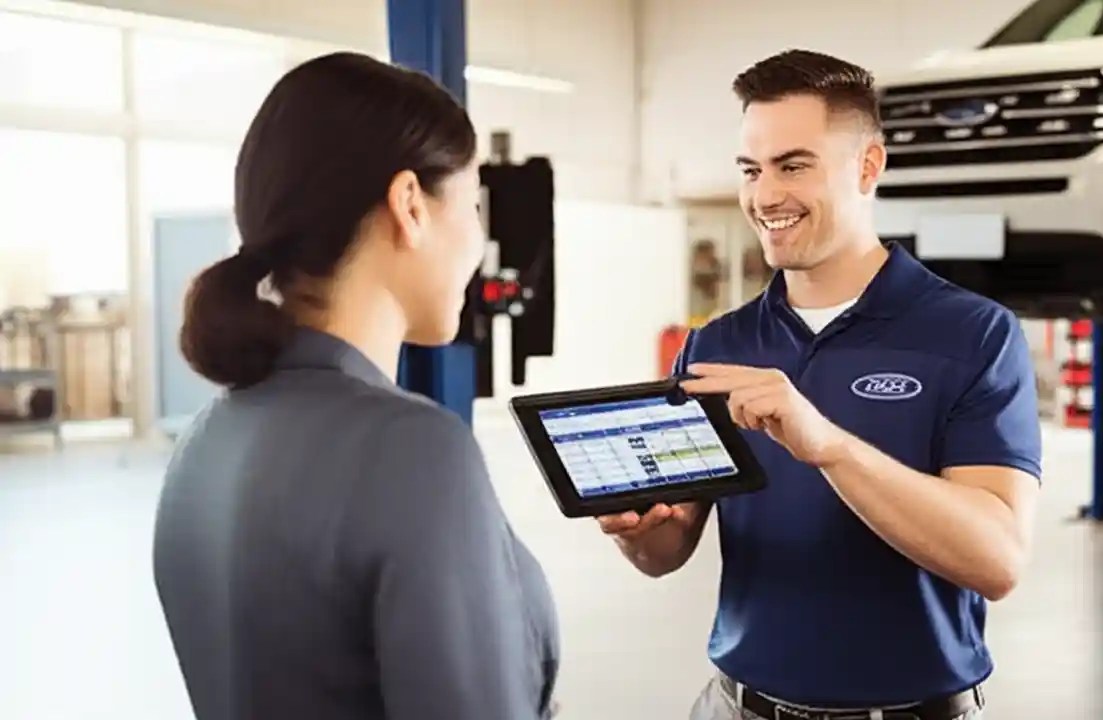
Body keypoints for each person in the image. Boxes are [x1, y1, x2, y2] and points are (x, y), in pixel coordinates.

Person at [599, 49, 1042, 720]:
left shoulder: (974, 334)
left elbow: (998, 560)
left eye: (794, 166)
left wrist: (827, 445)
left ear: (868, 167)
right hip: (738, 707)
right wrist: (637, 529)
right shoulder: (717, 344)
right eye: (752, 169)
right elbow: (666, 551)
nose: (765, 195)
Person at [151, 52, 558, 720]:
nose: (478, 236)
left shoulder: (206, 440)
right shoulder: (414, 450)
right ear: (410, 205)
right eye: (473, 202)